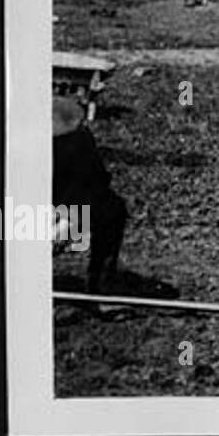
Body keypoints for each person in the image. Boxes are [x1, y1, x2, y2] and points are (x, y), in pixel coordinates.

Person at [52, 96, 177, 298]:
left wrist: (69, 219)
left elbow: (96, 181)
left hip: (63, 207)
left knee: (112, 209)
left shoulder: (79, 138)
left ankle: (101, 282)